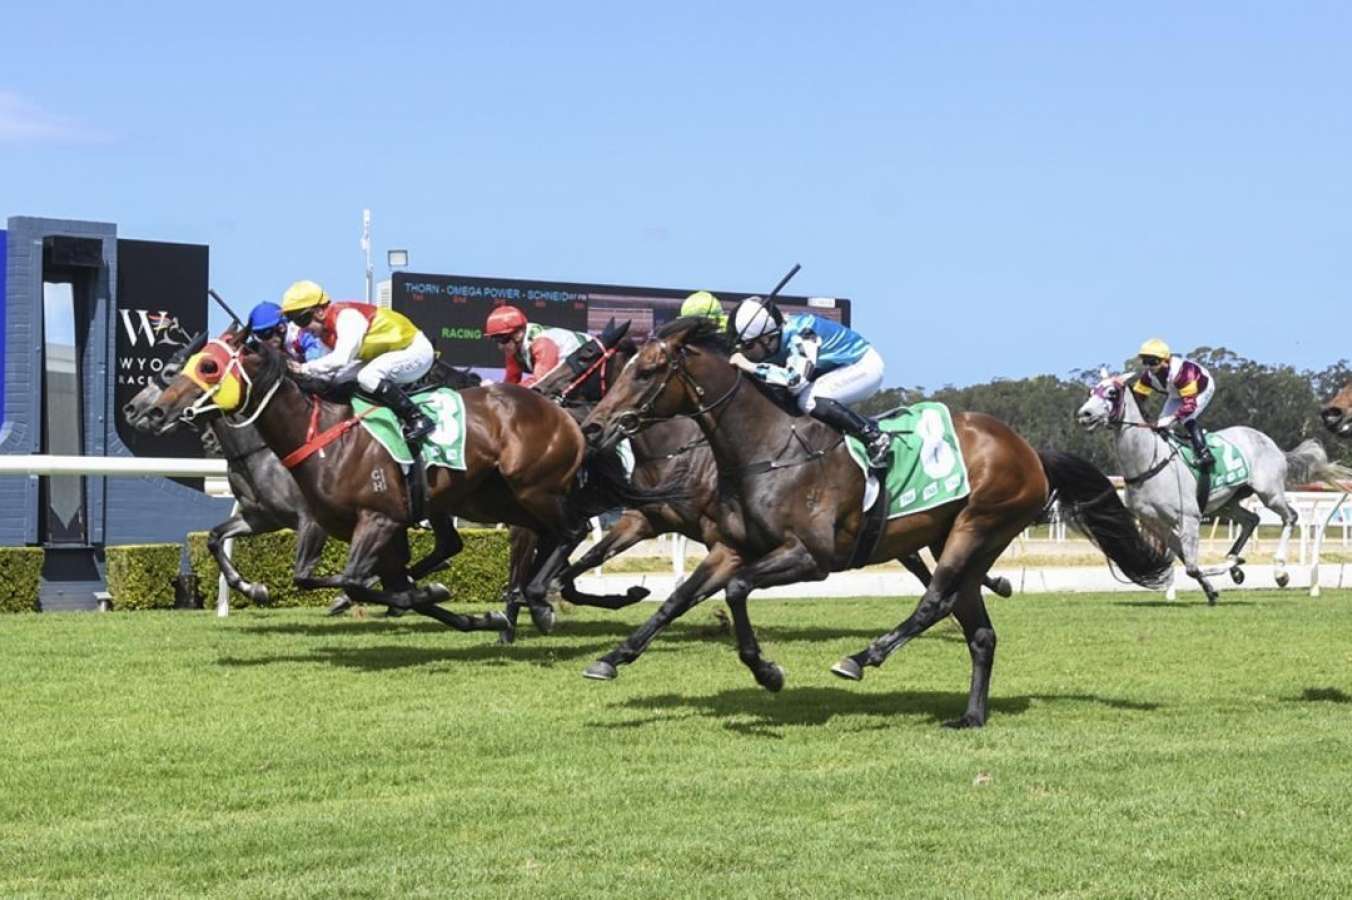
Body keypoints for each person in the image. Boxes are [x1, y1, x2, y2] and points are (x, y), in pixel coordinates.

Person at [726, 298, 891, 468]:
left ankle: (874, 436)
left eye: (748, 346)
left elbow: (795, 381)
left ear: (767, 339)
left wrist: (751, 366)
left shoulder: (802, 334)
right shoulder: (774, 338)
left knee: (808, 399)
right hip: (837, 368)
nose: (744, 353)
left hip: (864, 367)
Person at [279, 280, 434, 441]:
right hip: (386, 355)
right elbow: (329, 373)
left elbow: (340, 359)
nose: (303, 329)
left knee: (368, 377)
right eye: (296, 322)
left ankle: (417, 418)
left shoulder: (347, 317)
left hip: (414, 351)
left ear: (319, 312)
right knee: (339, 380)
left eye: (302, 320)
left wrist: (303, 369)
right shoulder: (325, 334)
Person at [1133, 338, 1215, 466]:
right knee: (1162, 424)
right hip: (1177, 393)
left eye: (1153, 362)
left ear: (1166, 360)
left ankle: (1205, 453)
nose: (1149, 366)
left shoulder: (1183, 373)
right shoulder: (1148, 377)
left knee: (1186, 418)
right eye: (1145, 361)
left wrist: (1173, 417)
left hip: (1201, 389)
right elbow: (1137, 398)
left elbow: (1190, 405)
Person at [484, 305, 593, 387]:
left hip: (594, 361)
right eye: (496, 340)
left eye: (503, 339)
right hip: (572, 370)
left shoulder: (542, 344)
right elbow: (511, 382)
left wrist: (499, 390)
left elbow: (540, 384)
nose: (500, 346)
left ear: (519, 333)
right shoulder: (514, 347)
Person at [247, 301, 324, 362]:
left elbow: (317, 357)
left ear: (281, 328)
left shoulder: (299, 335)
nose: (264, 341)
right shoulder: (280, 345)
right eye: (259, 336)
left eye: (266, 334)